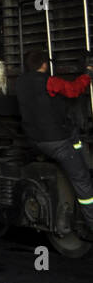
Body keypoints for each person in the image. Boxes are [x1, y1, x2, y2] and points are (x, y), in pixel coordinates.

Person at [15, 49, 93, 229]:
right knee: (82, 180)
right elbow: (73, 90)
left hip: (35, 139)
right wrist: (88, 74)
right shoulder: (48, 81)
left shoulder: (19, 83)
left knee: (74, 138)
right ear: (44, 65)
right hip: (55, 141)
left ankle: (84, 161)